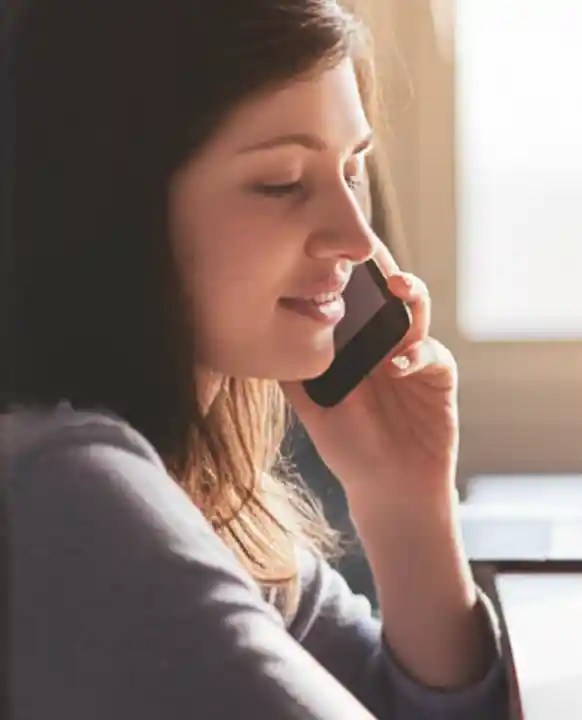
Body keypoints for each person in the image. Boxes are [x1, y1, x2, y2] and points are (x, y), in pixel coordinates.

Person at [1, 1, 508, 717]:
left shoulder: (209, 496)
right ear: (115, 206)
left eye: (352, 170)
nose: (356, 237)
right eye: (282, 183)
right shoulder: (63, 486)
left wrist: (406, 501)